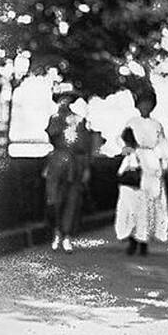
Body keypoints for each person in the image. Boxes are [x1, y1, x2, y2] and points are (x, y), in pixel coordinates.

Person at [114, 89, 168, 256]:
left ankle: (144, 240)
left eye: (149, 104)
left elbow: (163, 145)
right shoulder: (132, 122)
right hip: (135, 162)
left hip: (151, 165)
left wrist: (164, 162)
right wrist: (129, 151)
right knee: (132, 203)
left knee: (150, 203)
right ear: (137, 105)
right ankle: (132, 239)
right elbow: (121, 141)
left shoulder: (156, 125)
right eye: (142, 103)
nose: (145, 107)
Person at [42, 92, 93, 252]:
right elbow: (51, 134)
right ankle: (57, 231)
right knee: (54, 199)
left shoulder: (79, 120)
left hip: (75, 163)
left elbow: (85, 146)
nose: (64, 103)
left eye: (67, 100)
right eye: (61, 100)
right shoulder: (55, 119)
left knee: (72, 200)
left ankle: (67, 235)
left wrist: (86, 168)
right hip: (58, 160)